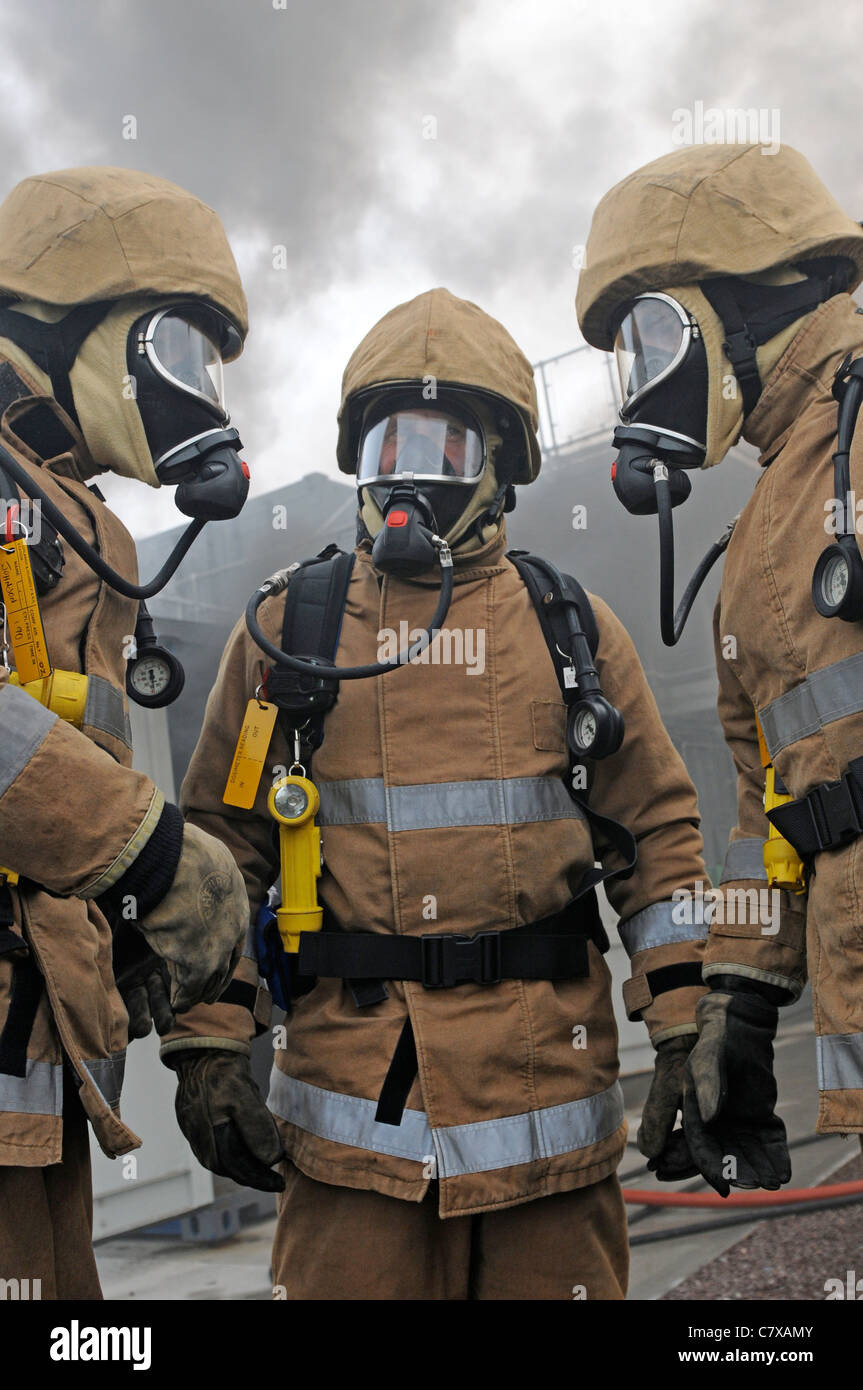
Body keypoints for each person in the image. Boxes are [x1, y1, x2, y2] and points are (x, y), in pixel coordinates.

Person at [162, 287, 711, 1300]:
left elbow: (654, 836)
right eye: (386, 445)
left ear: (500, 465)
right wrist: (205, 1044)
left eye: (446, 446)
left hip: (546, 1119)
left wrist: (685, 1023)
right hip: (352, 1133)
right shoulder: (290, 634)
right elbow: (220, 852)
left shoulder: (569, 630)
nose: (411, 475)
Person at [576, 141, 863, 1194]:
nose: (646, 379)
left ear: (740, 310)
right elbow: (763, 814)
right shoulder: (755, 537)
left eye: (654, 335)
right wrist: (734, 1001)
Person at [0, 166, 253, 1299]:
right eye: (173, 354)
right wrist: (144, 848)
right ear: (59, 331)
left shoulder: (60, 512)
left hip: (29, 1065)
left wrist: (102, 910)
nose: (191, 396)